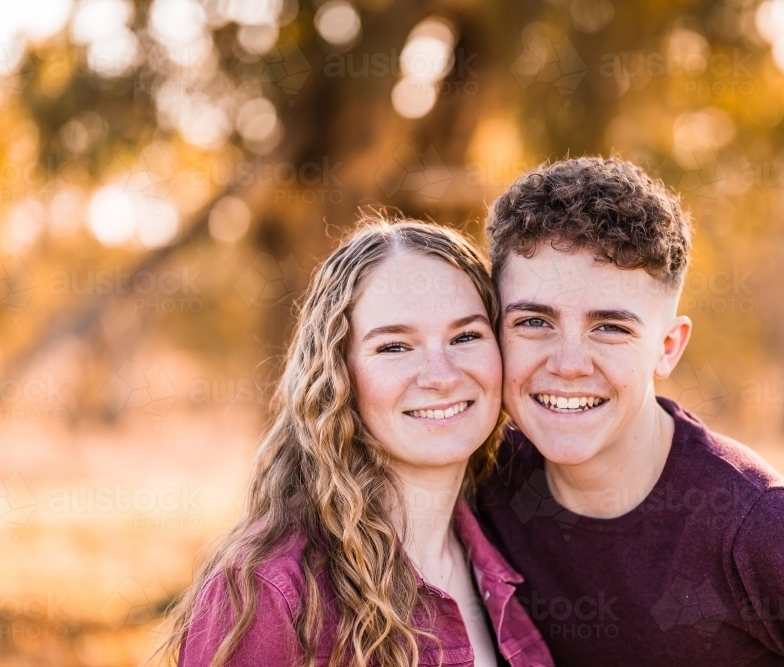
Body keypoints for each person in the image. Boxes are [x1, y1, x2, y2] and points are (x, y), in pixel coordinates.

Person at [475, 156, 784, 666]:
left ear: (668, 346)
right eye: (533, 322)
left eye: (610, 328)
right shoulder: (485, 479)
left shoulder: (760, 529)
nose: (568, 364)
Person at [154, 220, 554, 667]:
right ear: (338, 375)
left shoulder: (510, 550)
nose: (442, 375)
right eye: (395, 347)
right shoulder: (270, 593)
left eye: (465, 337)